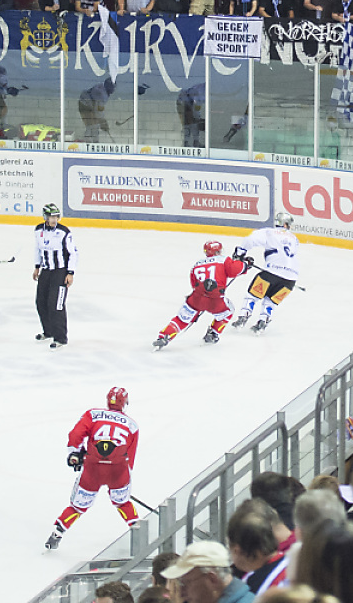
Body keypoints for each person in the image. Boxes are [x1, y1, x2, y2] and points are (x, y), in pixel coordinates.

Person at [44, 386, 139, 550]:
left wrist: (75, 454)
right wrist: (124, 479)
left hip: (93, 468)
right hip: (118, 470)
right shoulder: (132, 425)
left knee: (77, 506)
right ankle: (139, 533)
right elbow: (130, 455)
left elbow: (76, 435)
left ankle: (57, 534)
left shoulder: (93, 414)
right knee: (123, 503)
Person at [153, 240, 248, 351]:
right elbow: (235, 270)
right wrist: (245, 264)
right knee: (228, 311)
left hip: (196, 298)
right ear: (218, 251)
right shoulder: (224, 260)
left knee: (181, 319)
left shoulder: (197, 265)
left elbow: (194, 284)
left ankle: (164, 336)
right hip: (216, 301)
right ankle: (213, 333)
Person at [232, 213, 301, 334]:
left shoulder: (269, 232)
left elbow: (250, 240)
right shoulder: (295, 239)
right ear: (286, 224)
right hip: (291, 279)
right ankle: (263, 322)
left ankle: (243, 317)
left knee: (253, 295)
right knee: (271, 300)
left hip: (271, 273)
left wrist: (240, 253)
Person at [34, 202, 78, 349]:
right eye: (51, 217)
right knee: (41, 302)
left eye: (56, 217)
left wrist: (70, 272)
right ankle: (48, 331)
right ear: (45, 217)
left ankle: (60, 337)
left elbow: (73, 253)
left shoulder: (64, 232)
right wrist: (37, 267)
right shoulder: (38, 230)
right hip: (46, 271)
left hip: (60, 272)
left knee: (56, 304)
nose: (54, 220)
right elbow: (37, 249)